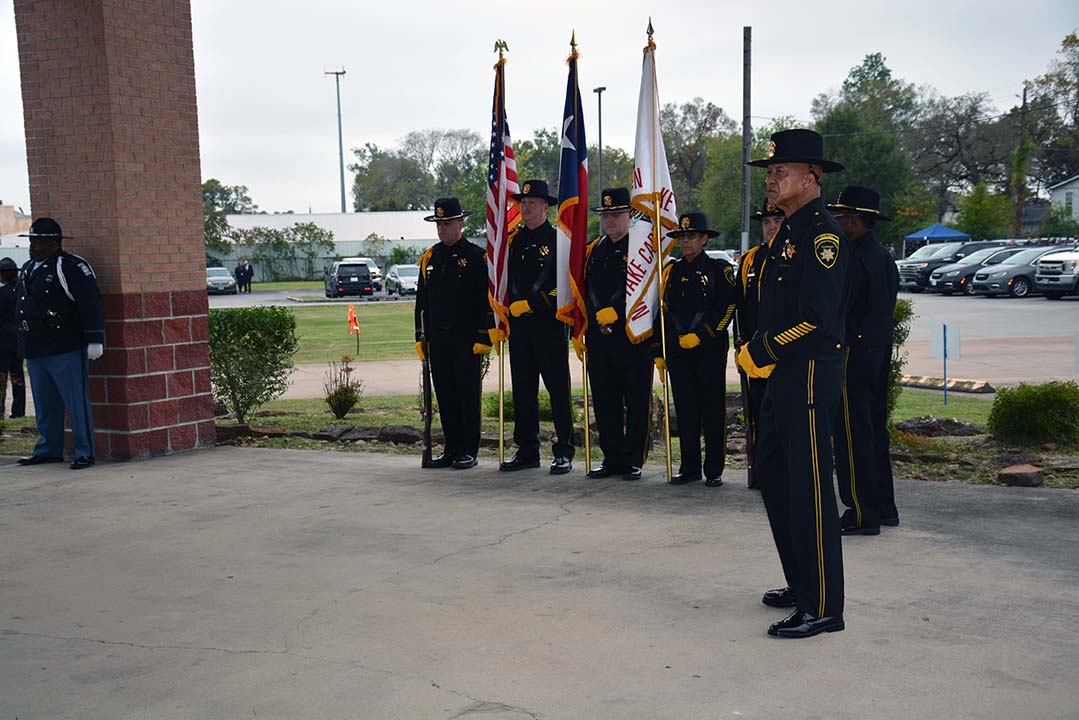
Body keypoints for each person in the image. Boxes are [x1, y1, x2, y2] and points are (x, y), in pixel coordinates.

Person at [739, 129, 848, 638]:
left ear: (812, 177)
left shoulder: (822, 235)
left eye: (781, 171)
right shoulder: (787, 231)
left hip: (806, 372)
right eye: (770, 172)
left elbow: (819, 318)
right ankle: (802, 580)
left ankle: (823, 603)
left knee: (808, 491)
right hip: (783, 374)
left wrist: (764, 347)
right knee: (775, 476)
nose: (772, 180)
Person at [828, 186, 900, 535]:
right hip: (878, 349)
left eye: (840, 217)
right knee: (873, 431)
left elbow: (841, 306)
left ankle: (860, 512)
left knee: (852, 433)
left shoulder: (853, 258)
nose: (837, 223)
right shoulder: (884, 255)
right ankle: (884, 506)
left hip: (853, 352)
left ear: (855, 221)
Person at [655, 212, 738, 486]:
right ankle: (689, 467)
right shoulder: (672, 271)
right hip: (679, 351)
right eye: (682, 237)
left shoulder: (719, 269)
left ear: (704, 239)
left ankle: (713, 469)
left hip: (708, 351)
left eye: (691, 236)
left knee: (712, 410)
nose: (686, 242)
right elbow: (664, 312)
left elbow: (727, 308)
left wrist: (703, 336)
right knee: (686, 410)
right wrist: (661, 349)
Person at [15, 218, 105, 470]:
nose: (33, 245)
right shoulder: (28, 267)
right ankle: (48, 449)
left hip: (64, 344)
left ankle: (84, 451)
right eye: (32, 240)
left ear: (54, 242)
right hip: (35, 346)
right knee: (45, 403)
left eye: (39, 240)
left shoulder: (71, 266)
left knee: (76, 401)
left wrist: (95, 338)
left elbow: (90, 303)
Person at [500, 180, 575, 475]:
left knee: (558, 391)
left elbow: (565, 286)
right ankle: (527, 450)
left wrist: (535, 304)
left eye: (533, 203)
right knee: (523, 392)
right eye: (523, 203)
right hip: (519, 329)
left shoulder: (559, 240)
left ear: (546, 206)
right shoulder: (513, 241)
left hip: (548, 327)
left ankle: (564, 451)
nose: (527, 207)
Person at [581, 188, 654, 481]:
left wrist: (620, 313)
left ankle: (634, 459)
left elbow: (648, 293)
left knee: (635, 401)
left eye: (616, 214)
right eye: (606, 215)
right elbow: (582, 289)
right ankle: (611, 457)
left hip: (631, 338)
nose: (610, 220)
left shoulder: (640, 251)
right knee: (604, 399)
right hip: (599, 339)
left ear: (630, 216)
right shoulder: (593, 250)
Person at [414, 198, 493, 470]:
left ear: (461, 223)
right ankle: (451, 448)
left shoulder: (475, 256)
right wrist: (420, 337)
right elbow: (421, 302)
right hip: (438, 339)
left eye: (447, 223)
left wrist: (484, 336)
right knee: (445, 396)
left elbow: (486, 300)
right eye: (438, 224)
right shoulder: (430, 258)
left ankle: (468, 450)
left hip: (466, 340)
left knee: (467, 395)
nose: (442, 229)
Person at [736, 200, 785, 489]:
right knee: (757, 415)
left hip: (783, 352)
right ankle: (763, 471)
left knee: (783, 417)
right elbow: (741, 305)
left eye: (777, 221)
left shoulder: (794, 254)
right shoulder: (750, 260)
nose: (771, 227)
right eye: (767, 222)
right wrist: (740, 344)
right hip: (755, 354)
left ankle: (783, 472)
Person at [1, 257, 27, 419]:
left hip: (2, 342)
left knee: (1, 377)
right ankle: (18, 412)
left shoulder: (1, 293)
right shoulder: (23, 291)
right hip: (19, 341)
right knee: (18, 377)